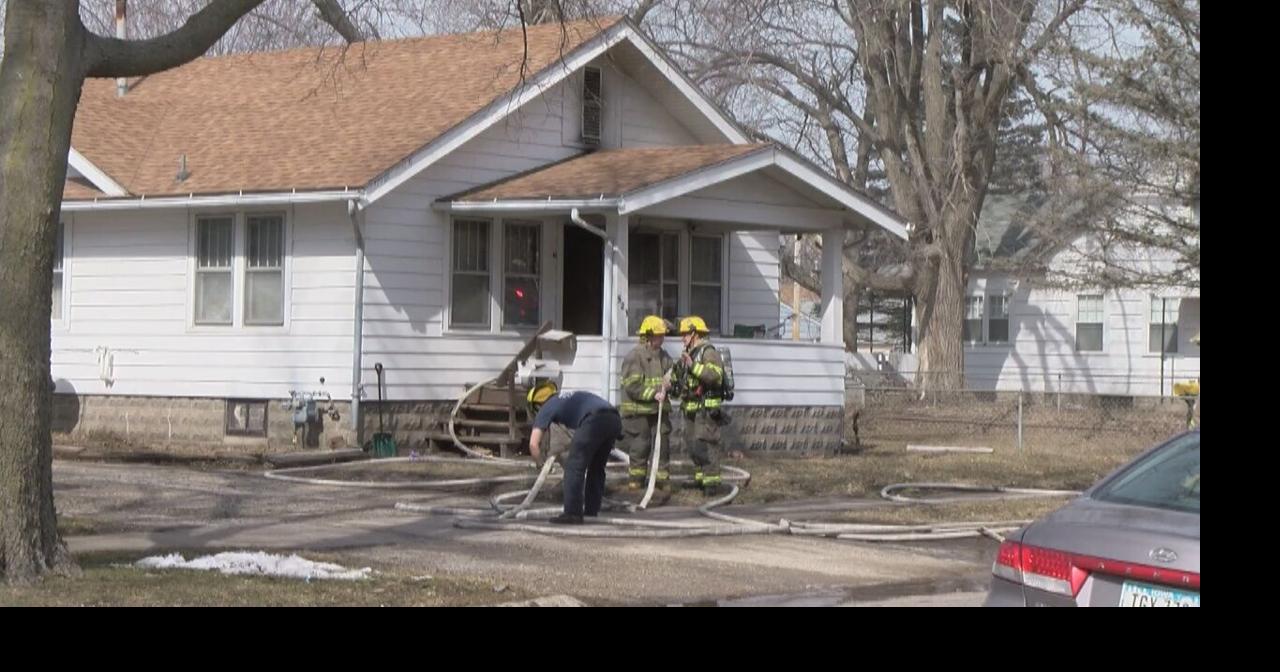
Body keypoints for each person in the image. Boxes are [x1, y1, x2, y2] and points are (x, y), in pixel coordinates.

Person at [526, 381, 623, 524]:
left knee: (574, 466)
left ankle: (572, 513)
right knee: (596, 467)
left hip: (594, 420)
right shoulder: (565, 399)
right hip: (614, 418)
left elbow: (533, 445)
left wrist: (540, 464)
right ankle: (591, 511)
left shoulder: (546, 407)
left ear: (536, 405)